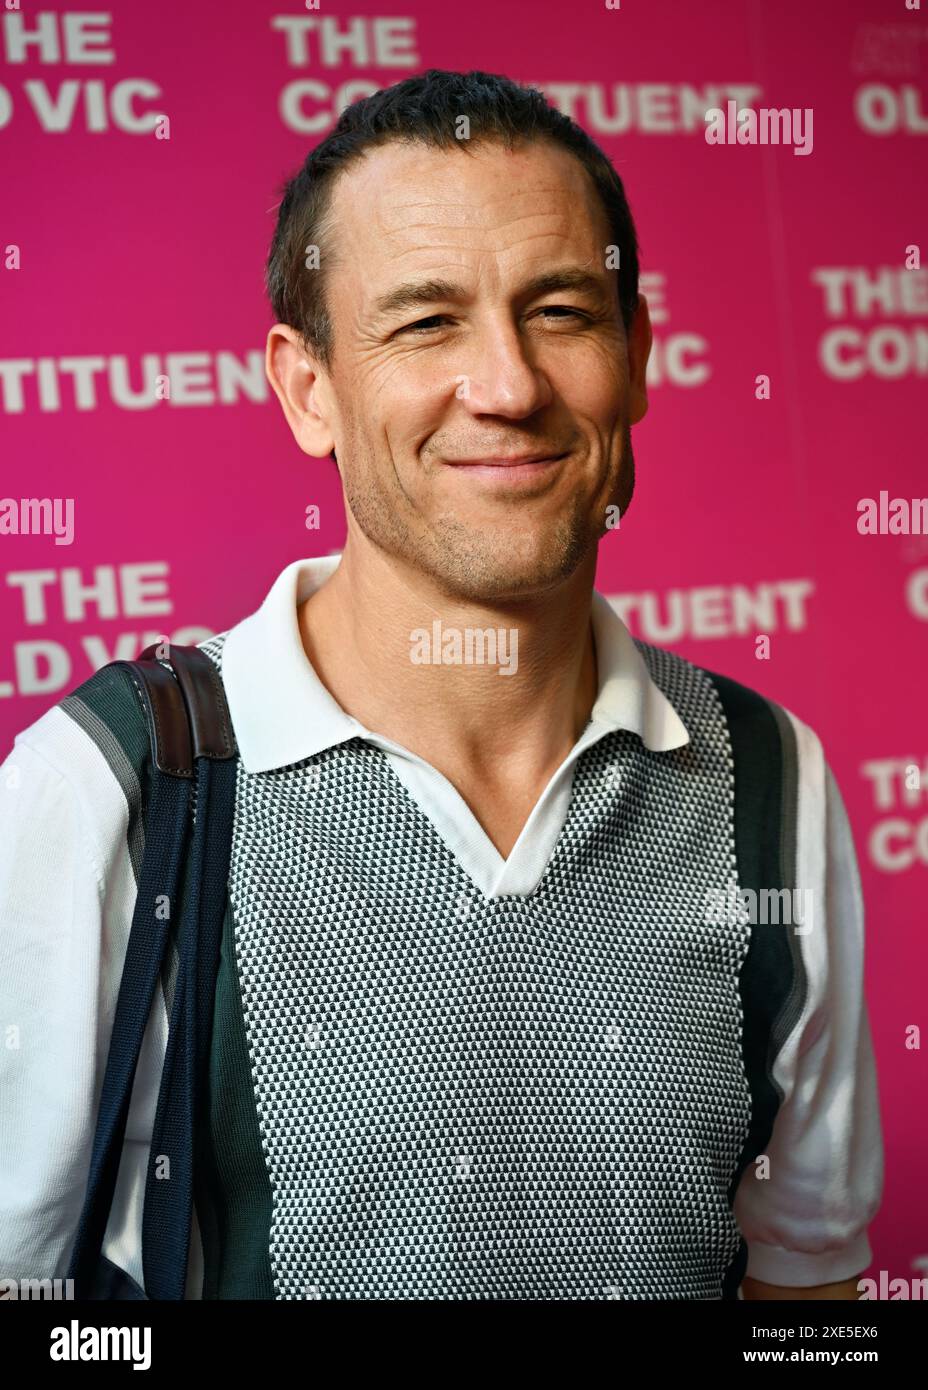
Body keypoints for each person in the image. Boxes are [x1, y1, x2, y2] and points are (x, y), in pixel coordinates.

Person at [0, 68, 883, 1301]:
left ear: (636, 359)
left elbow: (809, 1280)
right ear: (309, 388)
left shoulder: (772, 777)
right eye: (425, 322)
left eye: (563, 311)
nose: (509, 385)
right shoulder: (104, 790)